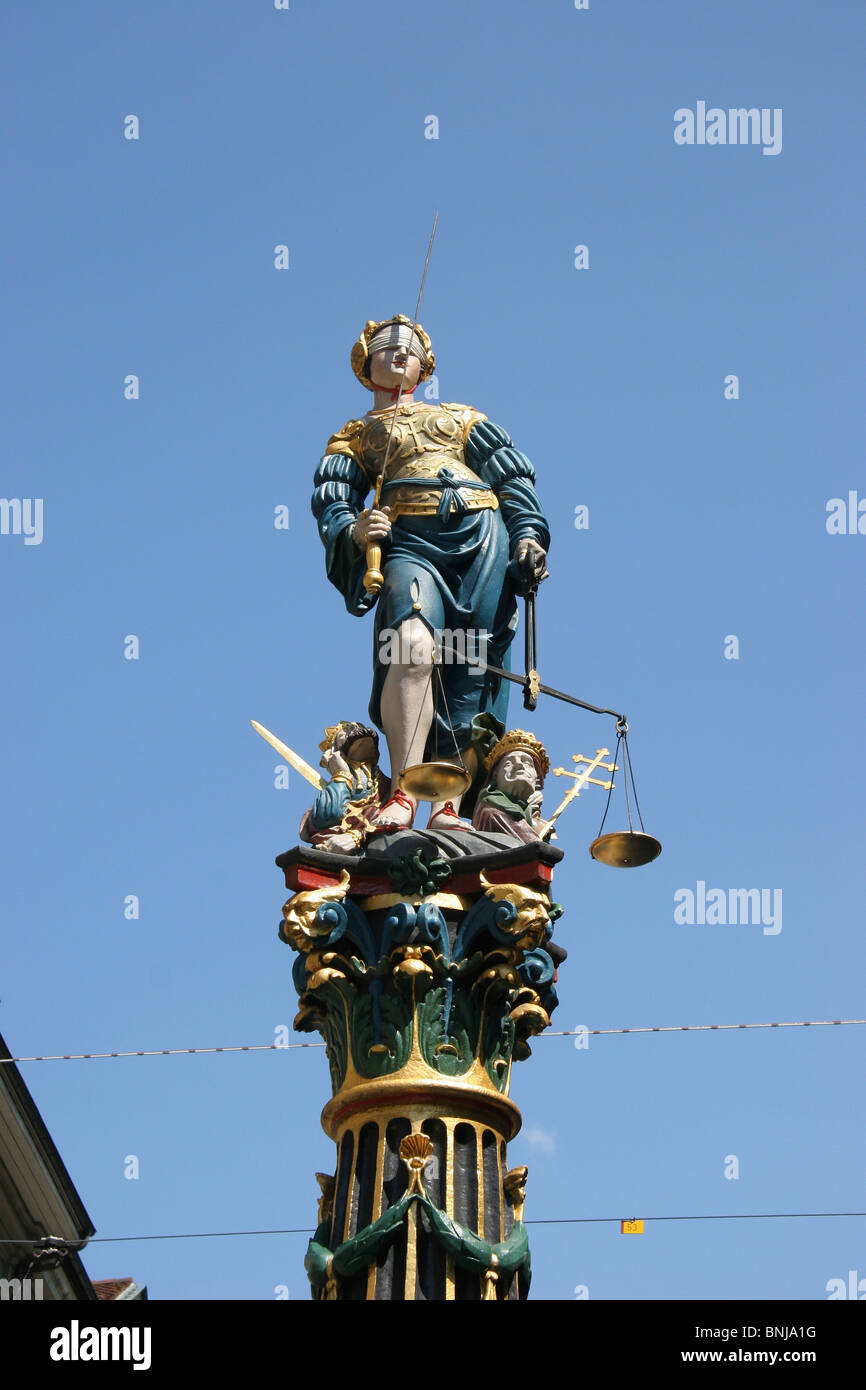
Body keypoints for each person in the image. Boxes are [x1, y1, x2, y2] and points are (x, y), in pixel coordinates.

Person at [311, 316, 549, 835]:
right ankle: (403, 790)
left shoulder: (462, 417)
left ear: (425, 365)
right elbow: (333, 501)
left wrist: (527, 534)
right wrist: (354, 530)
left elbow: (511, 474)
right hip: (409, 544)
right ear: (364, 363)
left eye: (410, 348)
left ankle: (447, 800)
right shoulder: (354, 438)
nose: (399, 353)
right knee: (412, 645)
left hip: (482, 540)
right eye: (386, 347)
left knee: (467, 666)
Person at [472, 730, 549, 844]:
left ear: (536, 779)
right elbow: (531, 845)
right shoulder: (492, 811)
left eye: (527, 763)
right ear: (495, 777)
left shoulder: (526, 812)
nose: (519, 764)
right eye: (508, 763)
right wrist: (537, 829)